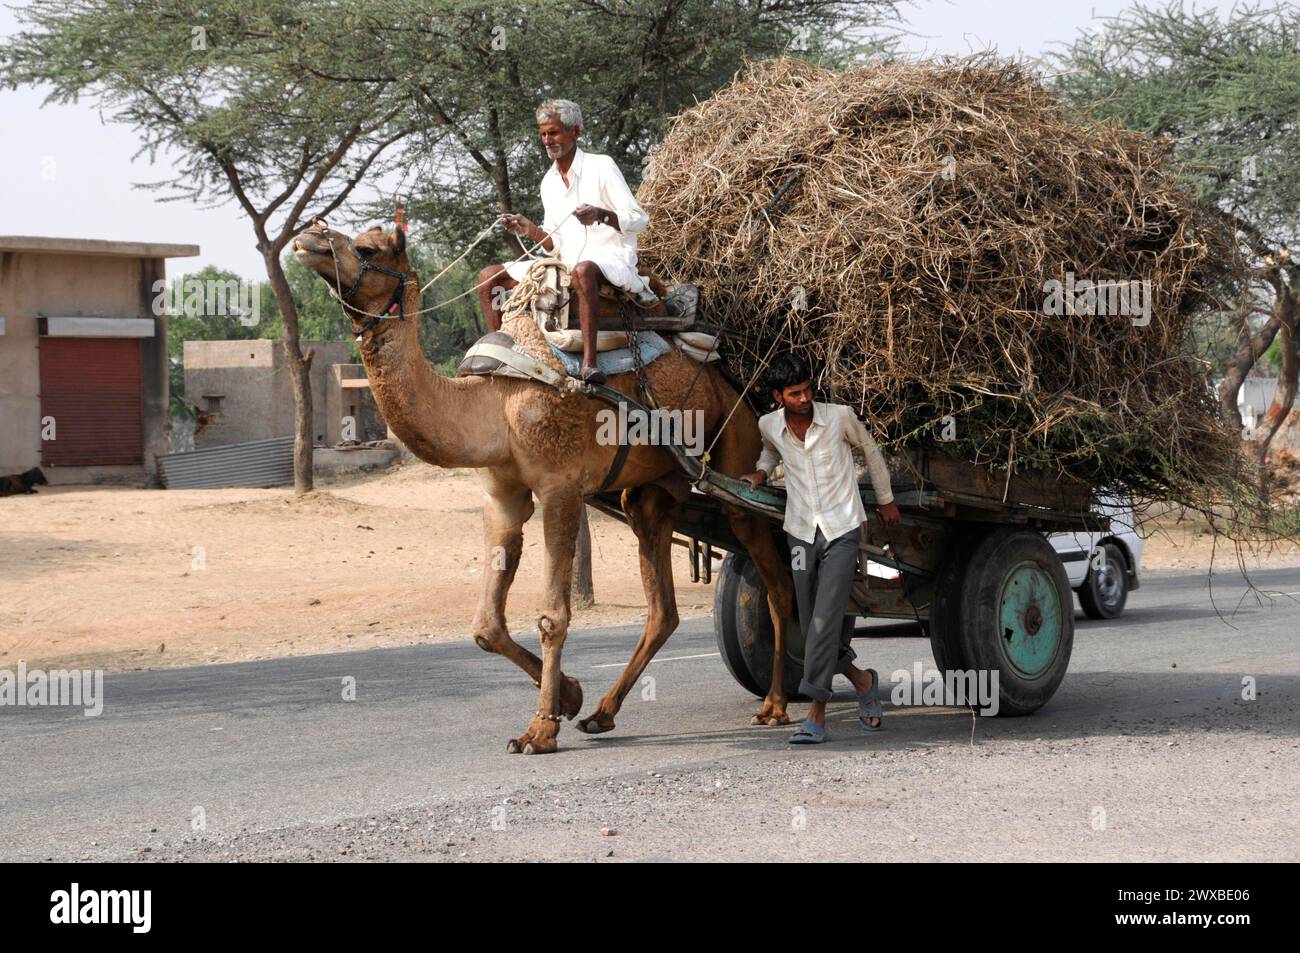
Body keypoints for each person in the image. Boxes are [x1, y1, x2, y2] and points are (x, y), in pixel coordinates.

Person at [740, 352, 902, 744]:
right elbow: (772, 453)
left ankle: (816, 715)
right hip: (800, 532)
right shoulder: (769, 426)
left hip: (843, 528)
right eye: (795, 393)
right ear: (778, 396)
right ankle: (863, 682)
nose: (804, 398)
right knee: (810, 623)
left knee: (825, 619)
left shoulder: (839, 417)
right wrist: (762, 472)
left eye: (808, 390)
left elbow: (872, 451)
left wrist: (885, 499)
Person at [476, 98, 656, 386]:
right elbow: (554, 243)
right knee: (488, 279)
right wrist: (529, 229)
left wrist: (601, 215)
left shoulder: (602, 166)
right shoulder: (548, 182)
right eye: (543, 134)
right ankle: (501, 357)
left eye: (554, 133)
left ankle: (589, 365)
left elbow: (639, 219)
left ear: (575, 132)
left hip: (609, 257)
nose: (547, 140)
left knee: (583, 270)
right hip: (564, 261)